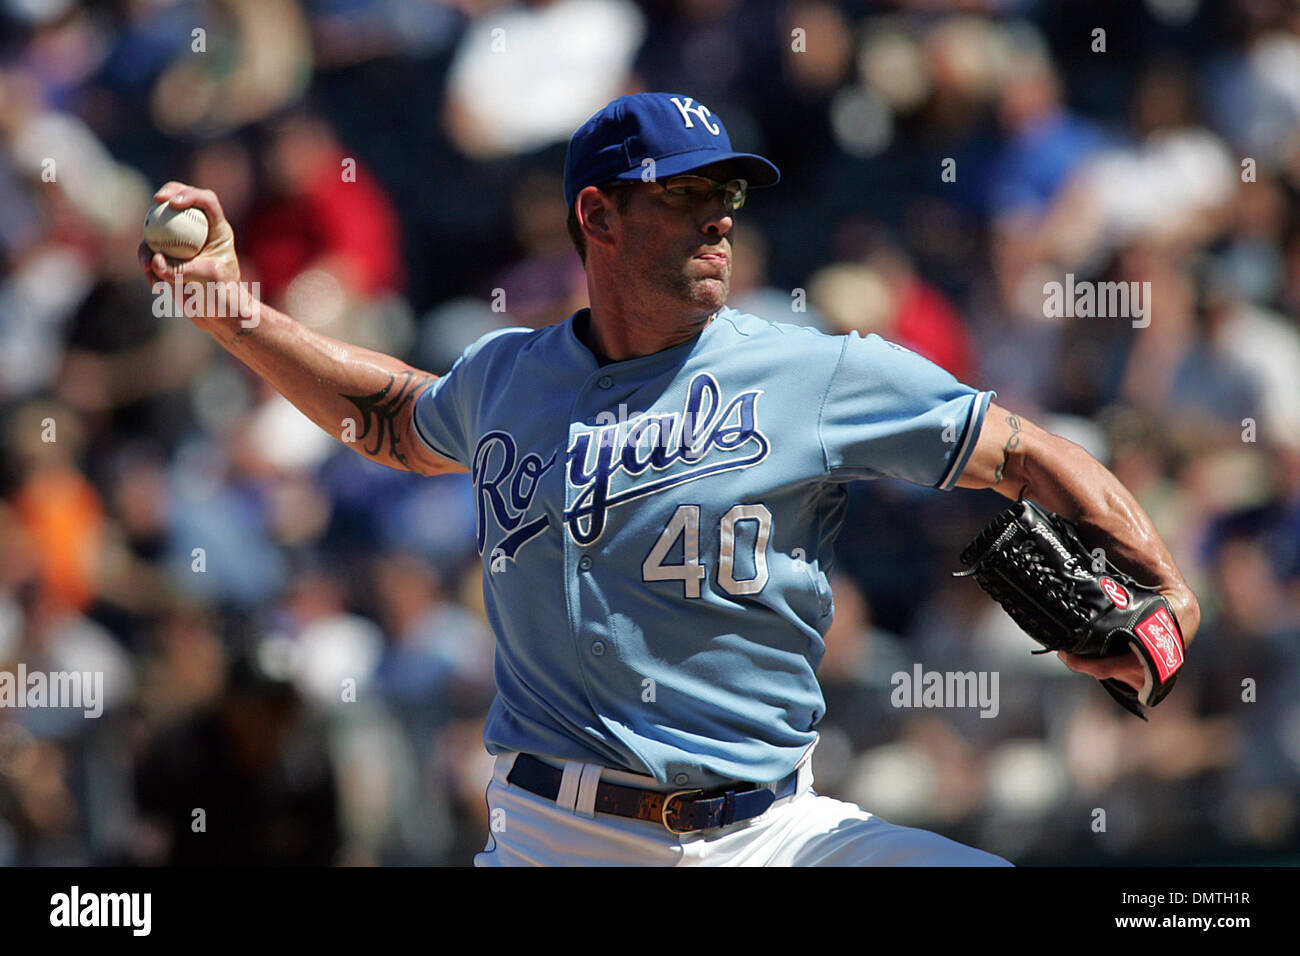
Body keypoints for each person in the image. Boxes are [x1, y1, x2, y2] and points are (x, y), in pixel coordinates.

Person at [139, 92, 1201, 866]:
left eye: (728, 192)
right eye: (686, 193)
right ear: (596, 216)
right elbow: (386, 416)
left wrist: (1159, 570)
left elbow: (1016, 449)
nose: (719, 215)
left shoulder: (808, 367)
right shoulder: (508, 377)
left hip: (772, 832)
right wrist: (238, 316)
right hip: (555, 836)